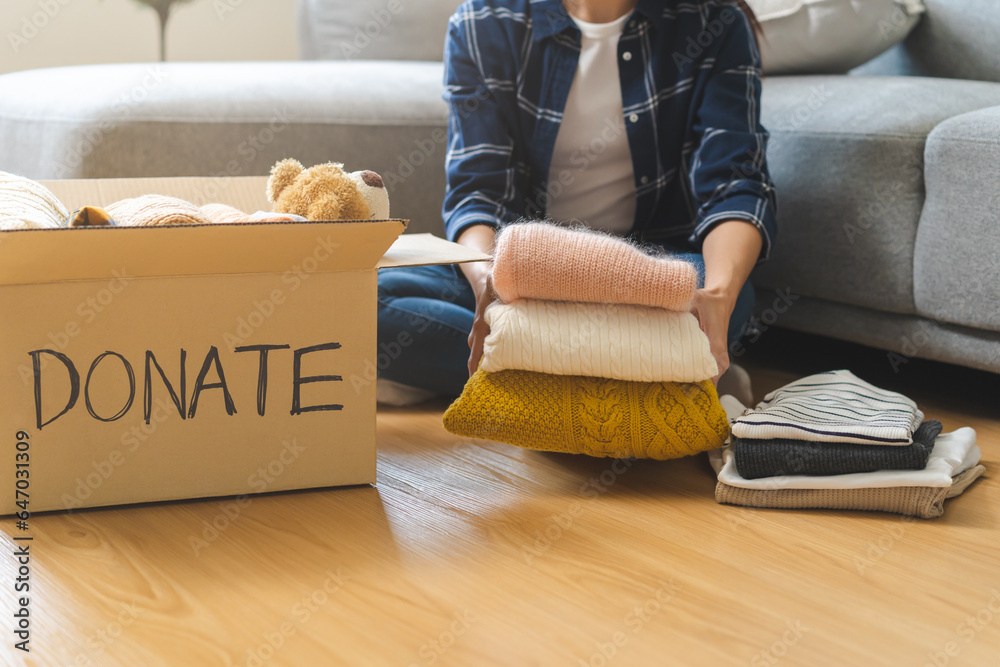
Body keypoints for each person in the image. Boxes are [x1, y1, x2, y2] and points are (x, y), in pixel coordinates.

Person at [376, 0, 776, 406]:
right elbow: (479, 192)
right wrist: (488, 284)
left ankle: (510, 374)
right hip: (524, 276)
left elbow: (734, 186)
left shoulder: (715, 21)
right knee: (363, 301)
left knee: (725, 294)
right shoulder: (482, 21)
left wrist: (719, 296)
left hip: (649, 276)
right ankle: (665, 374)